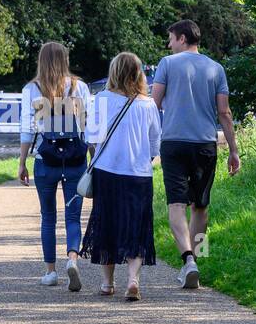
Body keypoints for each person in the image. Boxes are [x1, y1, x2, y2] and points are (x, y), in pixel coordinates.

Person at [151, 18, 240, 290]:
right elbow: (224, 113)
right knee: (200, 206)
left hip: (174, 142)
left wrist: (149, 144)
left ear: (182, 38)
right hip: (204, 144)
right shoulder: (216, 69)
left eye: (170, 38)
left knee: (176, 205)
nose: (168, 44)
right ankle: (195, 264)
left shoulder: (167, 64)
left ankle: (188, 259)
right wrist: (234, 150)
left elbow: (153, 104)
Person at [79, 52, 161, 301]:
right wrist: (142, 161)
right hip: (139, 174)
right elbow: (155, 142)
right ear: (139, 75)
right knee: (137, 225)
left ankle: (107, 283)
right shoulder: (148, 104)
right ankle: (133, 280)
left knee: (107, 223)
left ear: (113, 73)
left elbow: (90, 137)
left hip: (107, 171)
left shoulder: (102, 99)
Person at [18, 42, 91, 290]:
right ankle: (72, 259)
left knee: (48, 217)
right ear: (65, 60)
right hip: (75, 161)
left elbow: (27, 129)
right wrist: (91, 160)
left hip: (45, 161)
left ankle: (50, 272)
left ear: (41, 60)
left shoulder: (32, 89)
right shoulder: (78, 87)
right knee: (73, 217)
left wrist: (22, 163)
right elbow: (87, 126)